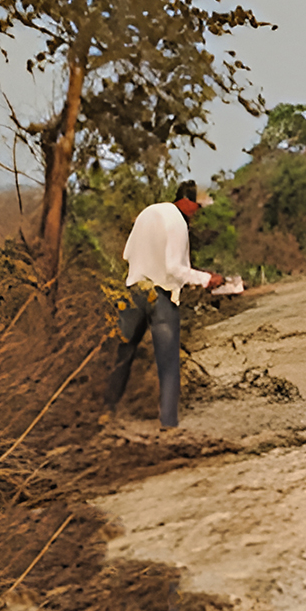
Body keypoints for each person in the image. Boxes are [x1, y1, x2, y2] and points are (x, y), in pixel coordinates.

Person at [104, 181, 223, 430]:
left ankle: (107, 412)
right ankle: (168, 423)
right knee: (168, 362)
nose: (197, 213)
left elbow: (126, 254)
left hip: (134, 292)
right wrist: (205, 279)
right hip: (160, 296)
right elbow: (174, 269)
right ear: (188, 203)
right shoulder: (177, 222)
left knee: (124, 353)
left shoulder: (148, 213)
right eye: (197, 208)